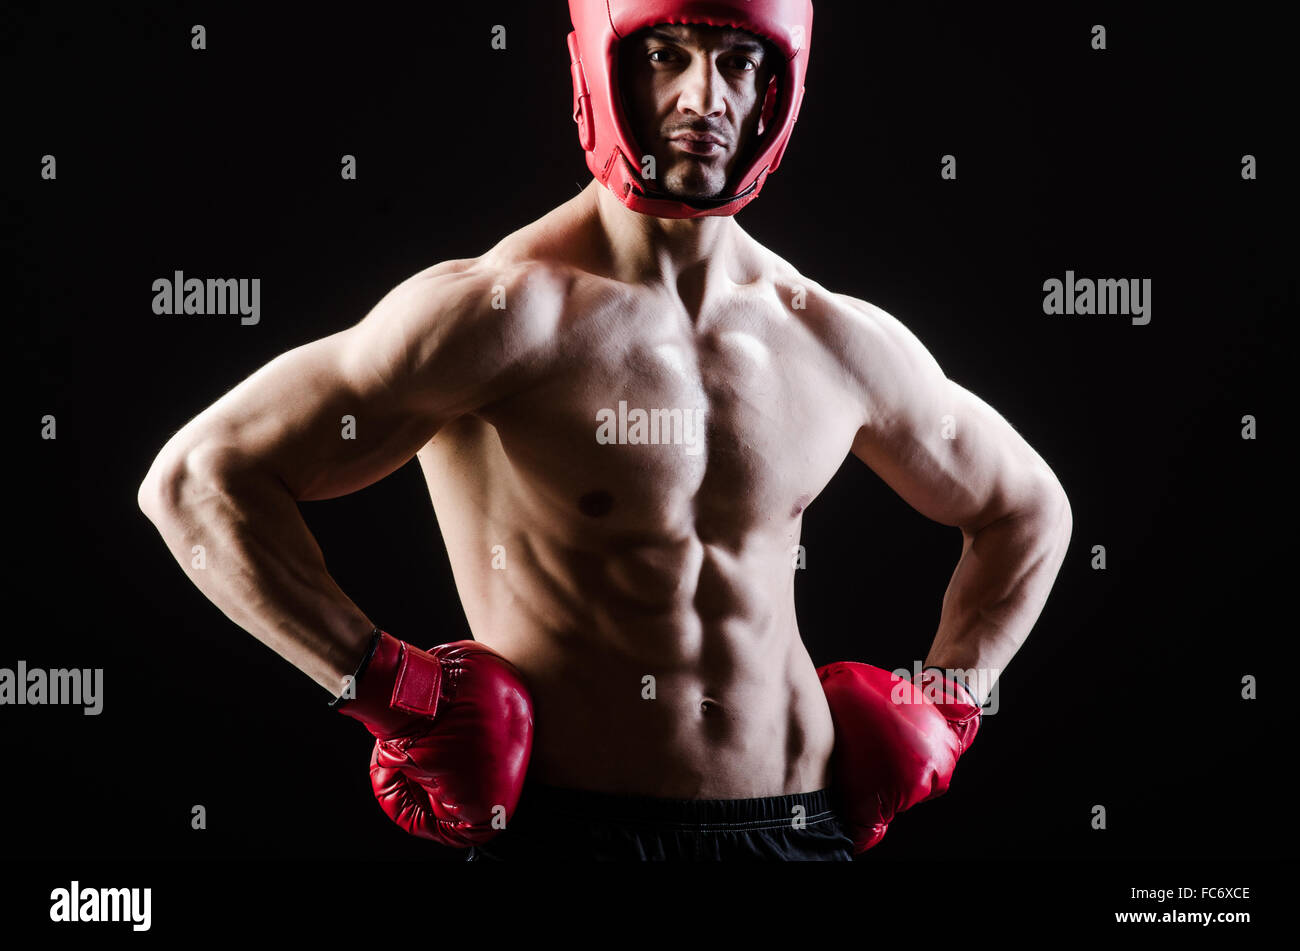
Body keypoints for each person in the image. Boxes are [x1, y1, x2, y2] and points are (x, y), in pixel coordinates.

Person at [138, 0, 1072, 861]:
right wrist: (396, 692)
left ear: (775, 91)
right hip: (572, 832)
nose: (705, 97)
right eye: (669, 56)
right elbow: (198, 480)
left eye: (740, 63)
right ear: (603, 68)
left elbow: (1027, 510)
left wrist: (949, 704)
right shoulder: (502, 315)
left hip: (802, 828)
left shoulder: (827, 335)